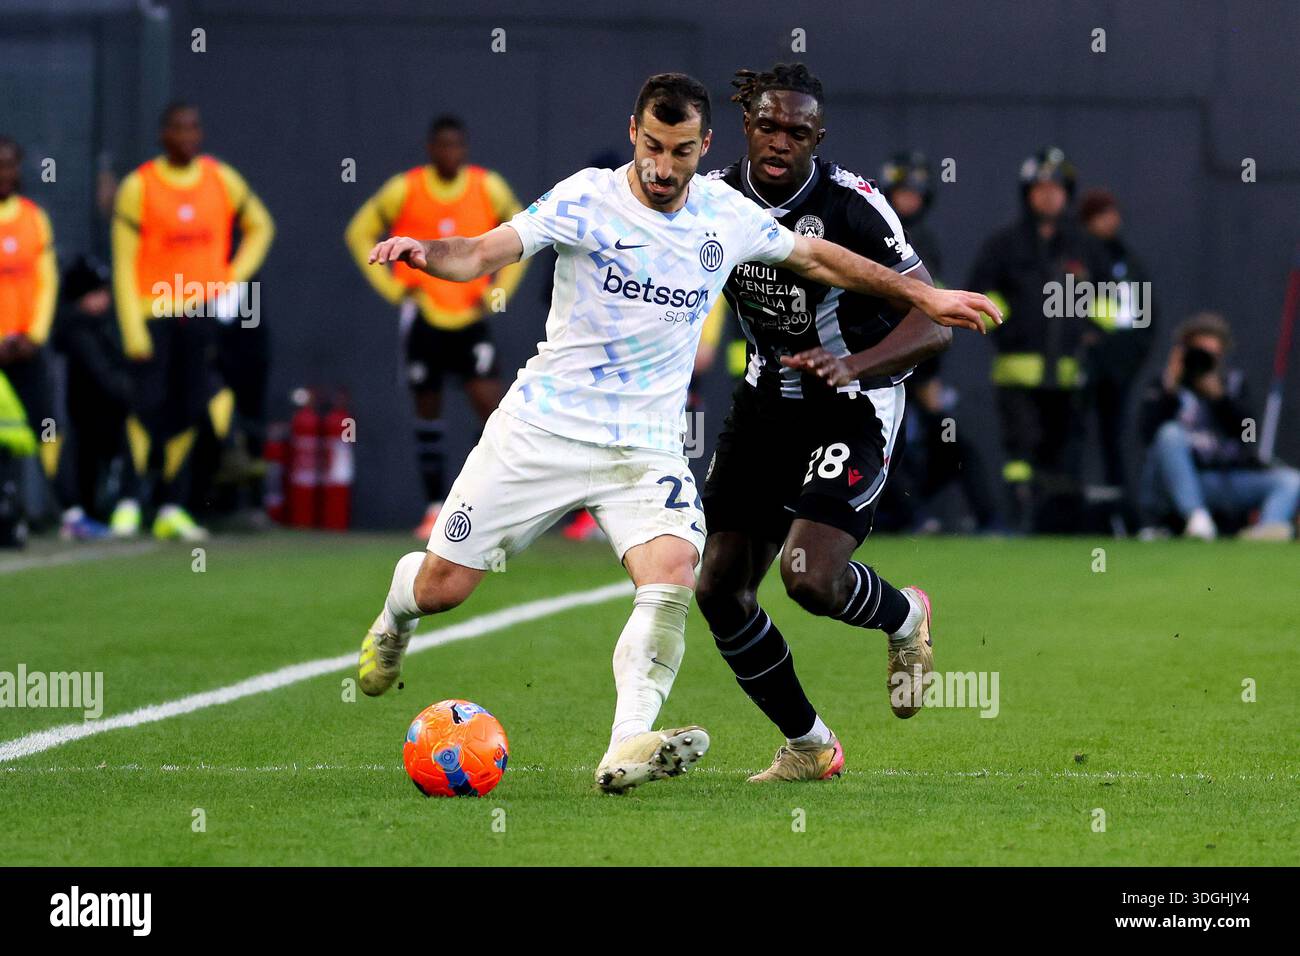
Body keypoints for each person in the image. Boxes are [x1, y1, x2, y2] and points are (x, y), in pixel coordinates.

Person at [357, 72, 1000, 794]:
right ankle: (397, 615)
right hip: (548, 427)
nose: (664, 168)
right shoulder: (587, 198)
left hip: (697, 433)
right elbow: (481, 251)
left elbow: (822, 258)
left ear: (706, 145)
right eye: (654, 148)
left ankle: (629, 741)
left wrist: (922, 297)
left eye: (682, 152)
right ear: (635, 134)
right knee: (454, 588)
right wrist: (428, 253)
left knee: (714, 577)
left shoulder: (749, 211)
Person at [692, 64, 960, 783]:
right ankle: (810, 746)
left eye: (798, 132)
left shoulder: (854, 208)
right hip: (764, 402)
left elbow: (934, 322)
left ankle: (904, 616)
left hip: (853, 401)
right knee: (718, 589)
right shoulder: (709, 199)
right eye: (768, 125)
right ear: (746, 125)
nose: (780, 141)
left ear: (819, 138)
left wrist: (854, 364)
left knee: (807, 577)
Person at [345, 116, 527, 539]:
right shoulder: (405, 188)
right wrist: (394, 289)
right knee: (428, 411)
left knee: (493, 411)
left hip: (470, 318)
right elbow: (359, 232)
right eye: (443, 146)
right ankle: (433, 508)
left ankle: (485, 504)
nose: (450, 153)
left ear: (465, 149)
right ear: (431, 149)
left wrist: (499, 291)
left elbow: (523, 232)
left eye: (457, 145)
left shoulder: (487, 186)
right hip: (425, 318)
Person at [110, 102, 275, 541]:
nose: (186, 136)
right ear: (163, 135)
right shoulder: (139, 185)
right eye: (177, 129)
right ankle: (128, 500)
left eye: (193, 128)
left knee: (188, 407)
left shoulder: (221, 179)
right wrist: (131, 326)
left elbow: (261, 225)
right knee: (146, 405)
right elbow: (123, 262)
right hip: (152, 311)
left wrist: (232, 276)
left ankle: (170, 504)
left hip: (200, 311)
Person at [967, 147, 1110, 533]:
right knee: (1020, 453)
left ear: (1067, 195)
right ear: (1027, 194)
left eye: (1056, 189)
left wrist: (1093, 332)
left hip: (1069, 375)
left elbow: (1109, 303)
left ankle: (1057, 527)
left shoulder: (1085, 247)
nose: (1048, 197)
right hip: (1016, 373)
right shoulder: (1004, 245)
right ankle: (1018, 521)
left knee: (1064, 455)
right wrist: (1007, 325)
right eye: (1041, 189)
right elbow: (978, 295)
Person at [1138, 312, 1299, 541]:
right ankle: (1196, 518)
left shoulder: (1233, 384)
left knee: (1290, 480)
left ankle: (1266, 532)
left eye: (1212, 355)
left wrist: (1221, 399)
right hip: (1177, 482)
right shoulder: (1163, 385)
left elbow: (1250, 434)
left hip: (1221, 479)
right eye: (1199, 353)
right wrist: (1170, 390)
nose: (1204, 361)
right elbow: (1147, 437)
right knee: (1170, 433)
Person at [1079, 187, 1155, 529]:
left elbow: (1143, 316)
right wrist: (1086, 338)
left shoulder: (1127, 260)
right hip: (1079, 368)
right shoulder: (1075, 257)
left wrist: (1124, 357)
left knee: (1116, 439)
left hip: (1118, 370)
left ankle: (1127, 518)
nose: (1111, 221)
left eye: (1112, 213)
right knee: (1074, 439)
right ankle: (1070, 515)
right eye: (1101, 215)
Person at [0, 135, 65, 539]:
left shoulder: (33, 217)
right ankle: (8, 513)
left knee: (46, 425)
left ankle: (63, 508)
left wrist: (34, 336)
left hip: (27, 348)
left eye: (9, 164)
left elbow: (46, 281)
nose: (4, 173)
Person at [52, 255, 131, 536]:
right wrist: (135, 397)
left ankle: (91, 512)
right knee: (76, 457)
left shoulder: (101, 325)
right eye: (98, 293)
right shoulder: (76, 327)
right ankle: (78, 513)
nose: (105, 300)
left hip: (95, 415)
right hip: (78, 416)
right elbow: (103, 376)